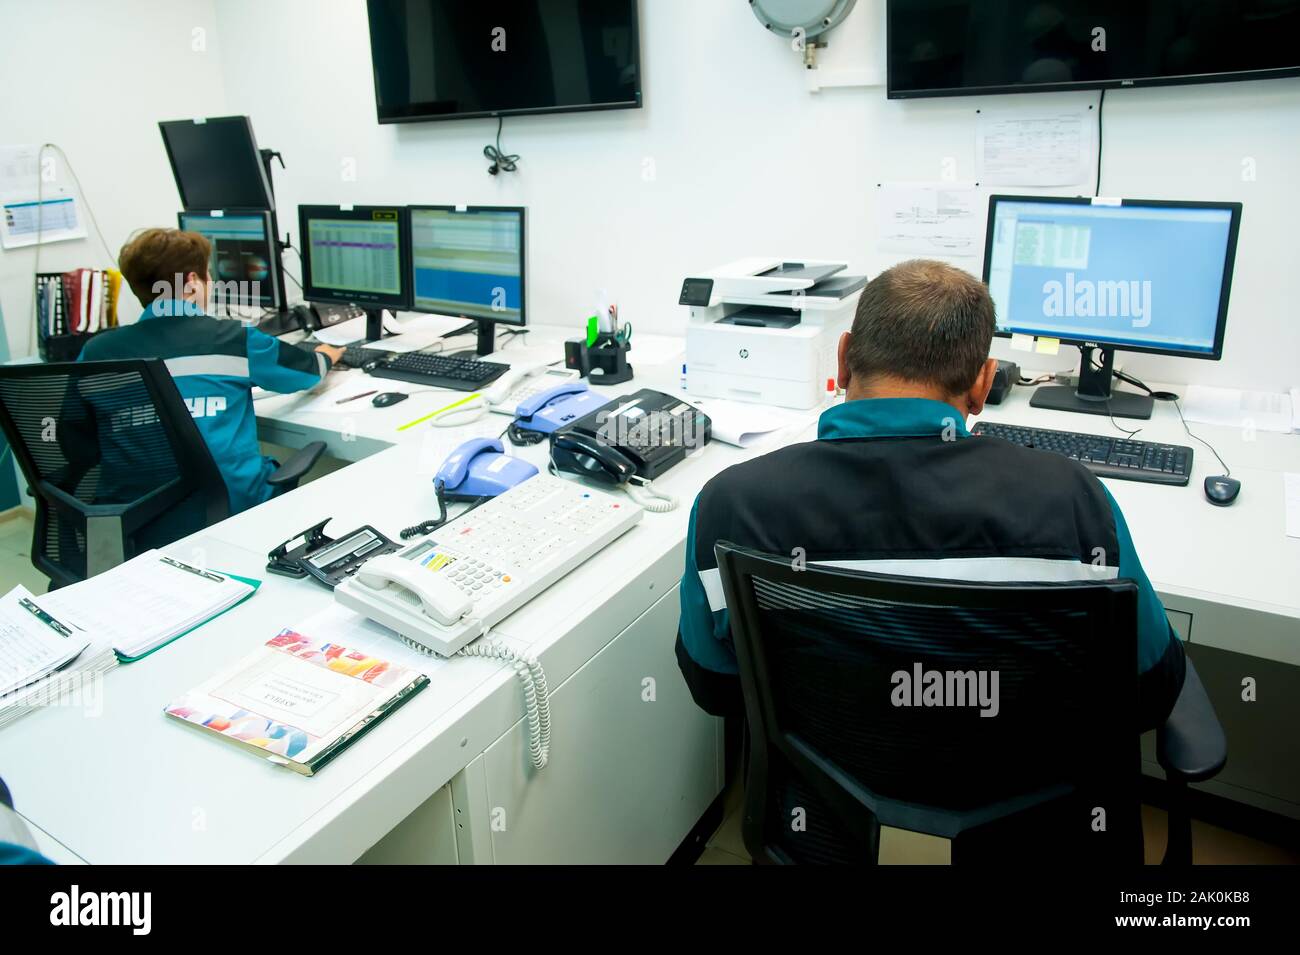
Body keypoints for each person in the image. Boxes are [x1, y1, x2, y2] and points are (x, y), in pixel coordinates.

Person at [676, 259, 1186, 731]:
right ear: (985, 384)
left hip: (830, 815)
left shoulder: (729, 504)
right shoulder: (1074, 501)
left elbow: (714, 687)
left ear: (844, 359)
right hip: (1017, 816)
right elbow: (1151, 690)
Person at [77, 228, 344, 514]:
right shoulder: (232, 338)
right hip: (233, 505)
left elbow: (73, 438)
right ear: (192, 282)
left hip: (135, 516)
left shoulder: (95, 352)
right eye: (208, 275)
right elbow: (304, 373)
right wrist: (327, 354)